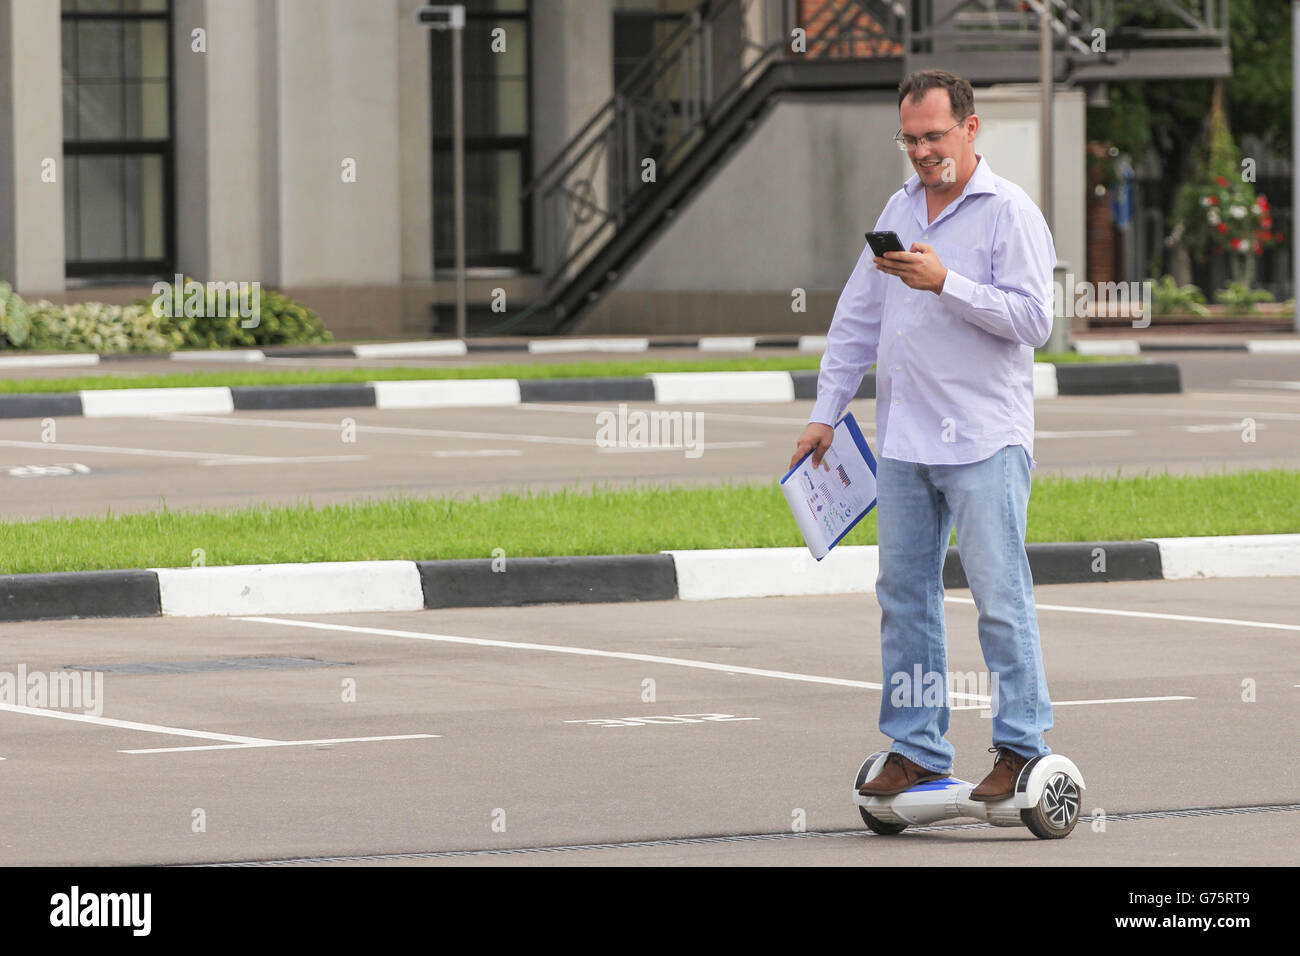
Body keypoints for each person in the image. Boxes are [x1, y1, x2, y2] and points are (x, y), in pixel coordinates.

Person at [788, 69, 1057, 802]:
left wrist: (947, 283)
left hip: (983, 439)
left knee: (999, 597)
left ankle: (1022, 748)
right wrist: (825, 410)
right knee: (904, 596)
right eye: (909, 138)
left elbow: (1036, 321)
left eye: (933, 136)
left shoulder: (1009, 212)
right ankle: (918, 748)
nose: (921, 151)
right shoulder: (899, 205)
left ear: (970, 129)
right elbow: (856, 317)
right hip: (904, 440)